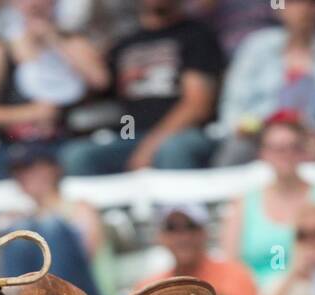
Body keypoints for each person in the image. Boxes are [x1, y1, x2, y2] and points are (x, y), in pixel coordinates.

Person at [60, 0, 222, 176]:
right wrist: (67, 41)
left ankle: (181, 204)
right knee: (78, 155)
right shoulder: (125, 44)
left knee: (174, 149)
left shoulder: (196, 34)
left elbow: (197, 105)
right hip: (130, 134)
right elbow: (103, 87)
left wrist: (150, 145)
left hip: (182, 134)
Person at [0, 0, 110, 178]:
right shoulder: (0, 48)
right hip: (16, 149)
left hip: (68, 143)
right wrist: (32, 113)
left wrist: (54, 39)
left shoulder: (73, 41)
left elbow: (99, 80)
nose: (35, 4)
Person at [217, 0, 315, 163]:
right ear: (280, 8)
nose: (305, 9)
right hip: (255, 136)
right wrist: (265, 130)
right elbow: (233, 109)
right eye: (295, 2)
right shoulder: (256, 47)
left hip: (313, 138)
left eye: (314, 3)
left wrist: (311, 132)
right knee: (237, 148)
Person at [220, 113, 315, 292]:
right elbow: (230, 265)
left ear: (303, 151)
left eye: (293, 147)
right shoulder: (243, 203)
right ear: (263, 153)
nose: (286, 155)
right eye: (278, 148)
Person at [0, 144, 109, 295]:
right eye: (19, 170)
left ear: (54, 169)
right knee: (19, 231)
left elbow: (88, 255)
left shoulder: (81, 209)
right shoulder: (21, 219)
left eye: (32, 167)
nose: (25, 175)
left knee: (47, 227)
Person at [134, 202, 261, 295]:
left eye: (191, 226)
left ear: (204, 232)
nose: (182, 237)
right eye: (171, 228)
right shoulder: (149, 290)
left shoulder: (236, 277)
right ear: (161, 236)